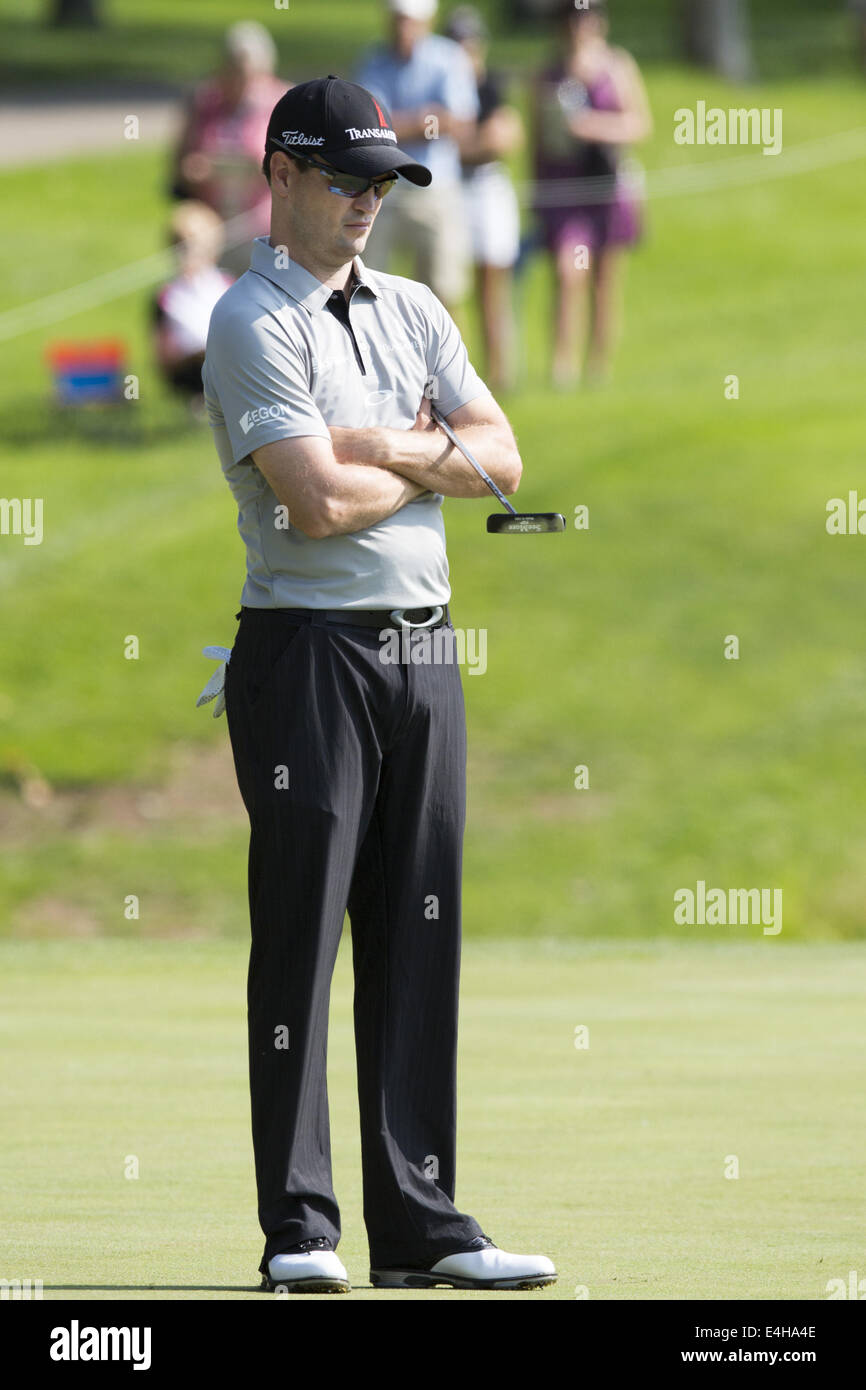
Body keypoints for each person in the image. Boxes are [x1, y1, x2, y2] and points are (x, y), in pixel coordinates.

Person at [201, 75, 557, 1294]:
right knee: (301, 939)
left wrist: (374, 447)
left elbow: (504, 459)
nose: (368, 203)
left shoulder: (410, 307)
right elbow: (311, 503)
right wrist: (422, 452)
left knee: (417, 930)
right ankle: (300, 1228)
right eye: (346, 180)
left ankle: (421, 1224)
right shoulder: (252, 319)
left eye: (384, 184)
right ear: (283, 177)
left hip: (425, 647)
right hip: (305, 653)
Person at [532, 0, 652, 388]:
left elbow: (639, 124)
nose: (578, 24)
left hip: (607, 186)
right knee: (569, 273)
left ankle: (599, 366)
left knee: (605, 279)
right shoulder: (547, 74)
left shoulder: (617, 66)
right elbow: (537, 139)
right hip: (565, 189)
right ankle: (563, 365)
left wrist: (591, 127)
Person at [355, 0, 478, 314]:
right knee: (368, 283)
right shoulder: (374, 59)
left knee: (443, 290)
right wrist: (426, 119)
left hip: (436, 188)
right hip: (383, 187)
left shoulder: (448, 58)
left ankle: (439, 363)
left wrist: (394, 124)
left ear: (428, 21)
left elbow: (459, 121)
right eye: (398, 19)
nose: (403, 27)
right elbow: (368, 124)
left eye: (409, 20)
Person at [444, 6, 523, 393]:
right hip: (450, 190)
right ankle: (459, 377)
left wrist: (461, 144)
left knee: (493, 283)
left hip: (486, 190)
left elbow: (502, 137)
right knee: (451, 286)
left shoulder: (491, 85)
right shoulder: (440, 86)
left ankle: (499, 372)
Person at [170, 21, 287, 276]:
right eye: (232, 70)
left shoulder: (282, 104)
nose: (239, 81)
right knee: (188, 229)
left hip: (262, 221)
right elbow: (180, 165)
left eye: (247, 73)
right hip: (212, 219)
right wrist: (194, 169)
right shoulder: (205, 101)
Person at [152, 201, 233, 415]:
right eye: (182, 246)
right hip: (187, 371)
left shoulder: (227, 285)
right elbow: (162, 354)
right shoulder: (167, 295)